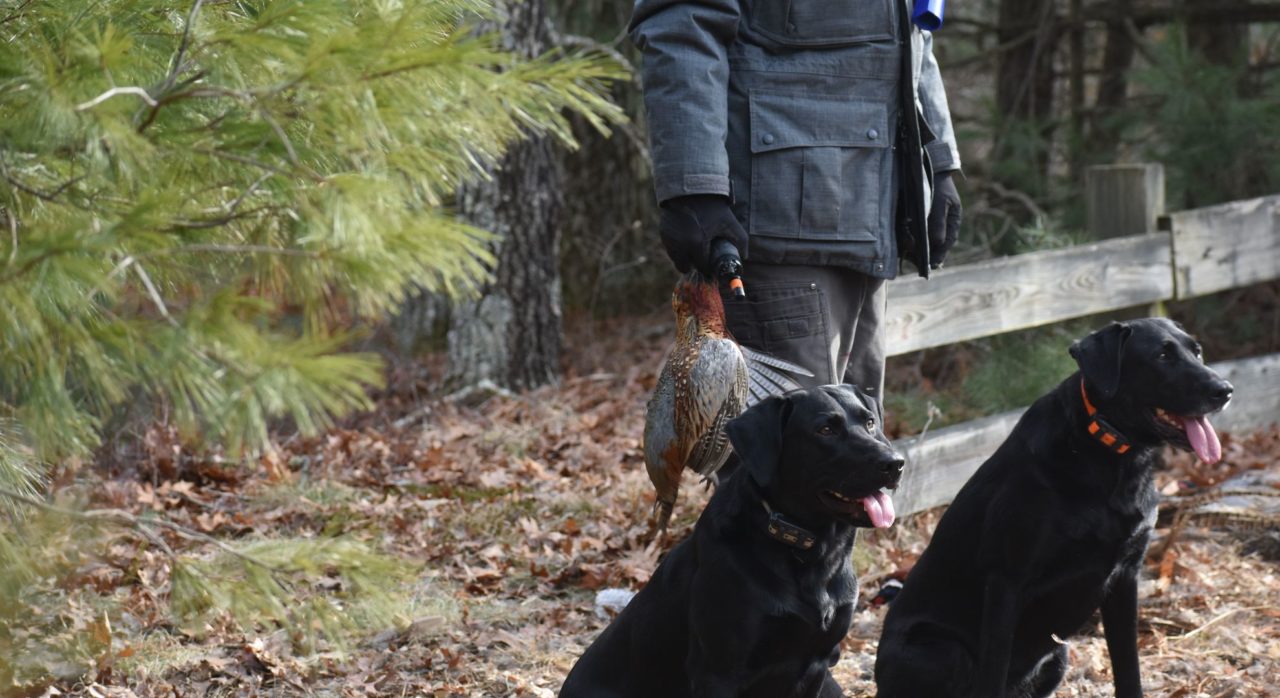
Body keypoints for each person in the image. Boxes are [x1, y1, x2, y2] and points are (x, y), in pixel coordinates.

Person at [630, 0, 962, 401]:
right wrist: (695, 188)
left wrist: (938, 162)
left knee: (855, 453)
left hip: (870, 224)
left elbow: (914, 37)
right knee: (787, 453)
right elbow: (684, 22)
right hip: (774, 231)